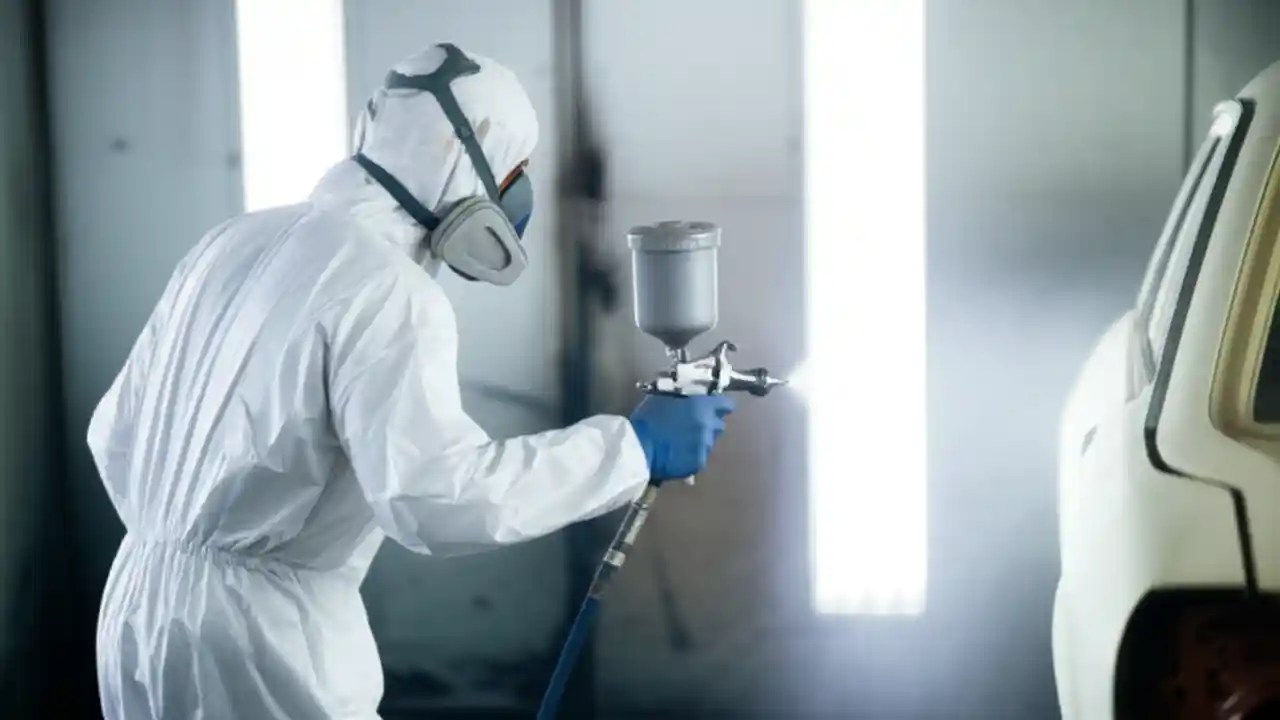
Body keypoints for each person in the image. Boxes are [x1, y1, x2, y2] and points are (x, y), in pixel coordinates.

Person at [90, 43, 734, 719]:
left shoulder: (228, 242)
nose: (519, 195)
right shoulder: (387, 287)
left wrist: (192, 532)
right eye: (515, 170)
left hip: (135, 610)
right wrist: (632, 449)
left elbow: (113, 435)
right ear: (466, 163)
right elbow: (436, 499)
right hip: (262, 642)